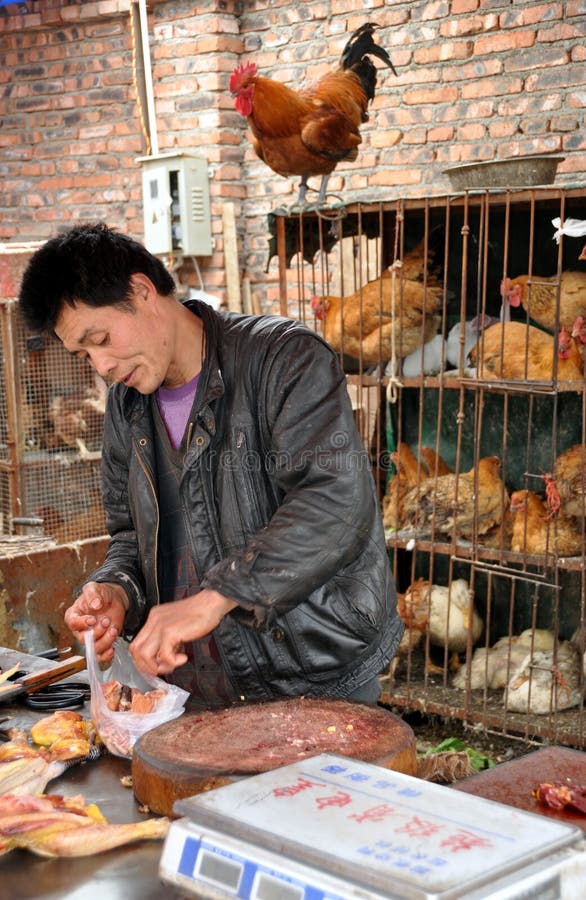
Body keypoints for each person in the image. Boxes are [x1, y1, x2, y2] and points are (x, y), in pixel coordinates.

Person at [18, 223, 403, 708]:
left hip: (310, 680)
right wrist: (117, 590)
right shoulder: (125, 406)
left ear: (141, 291)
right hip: (192, 690)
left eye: (101, 338)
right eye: (83, 353)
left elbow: (333, 501)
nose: (101, 366)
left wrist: (215, 596)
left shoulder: (284, 360)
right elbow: (130, 536)